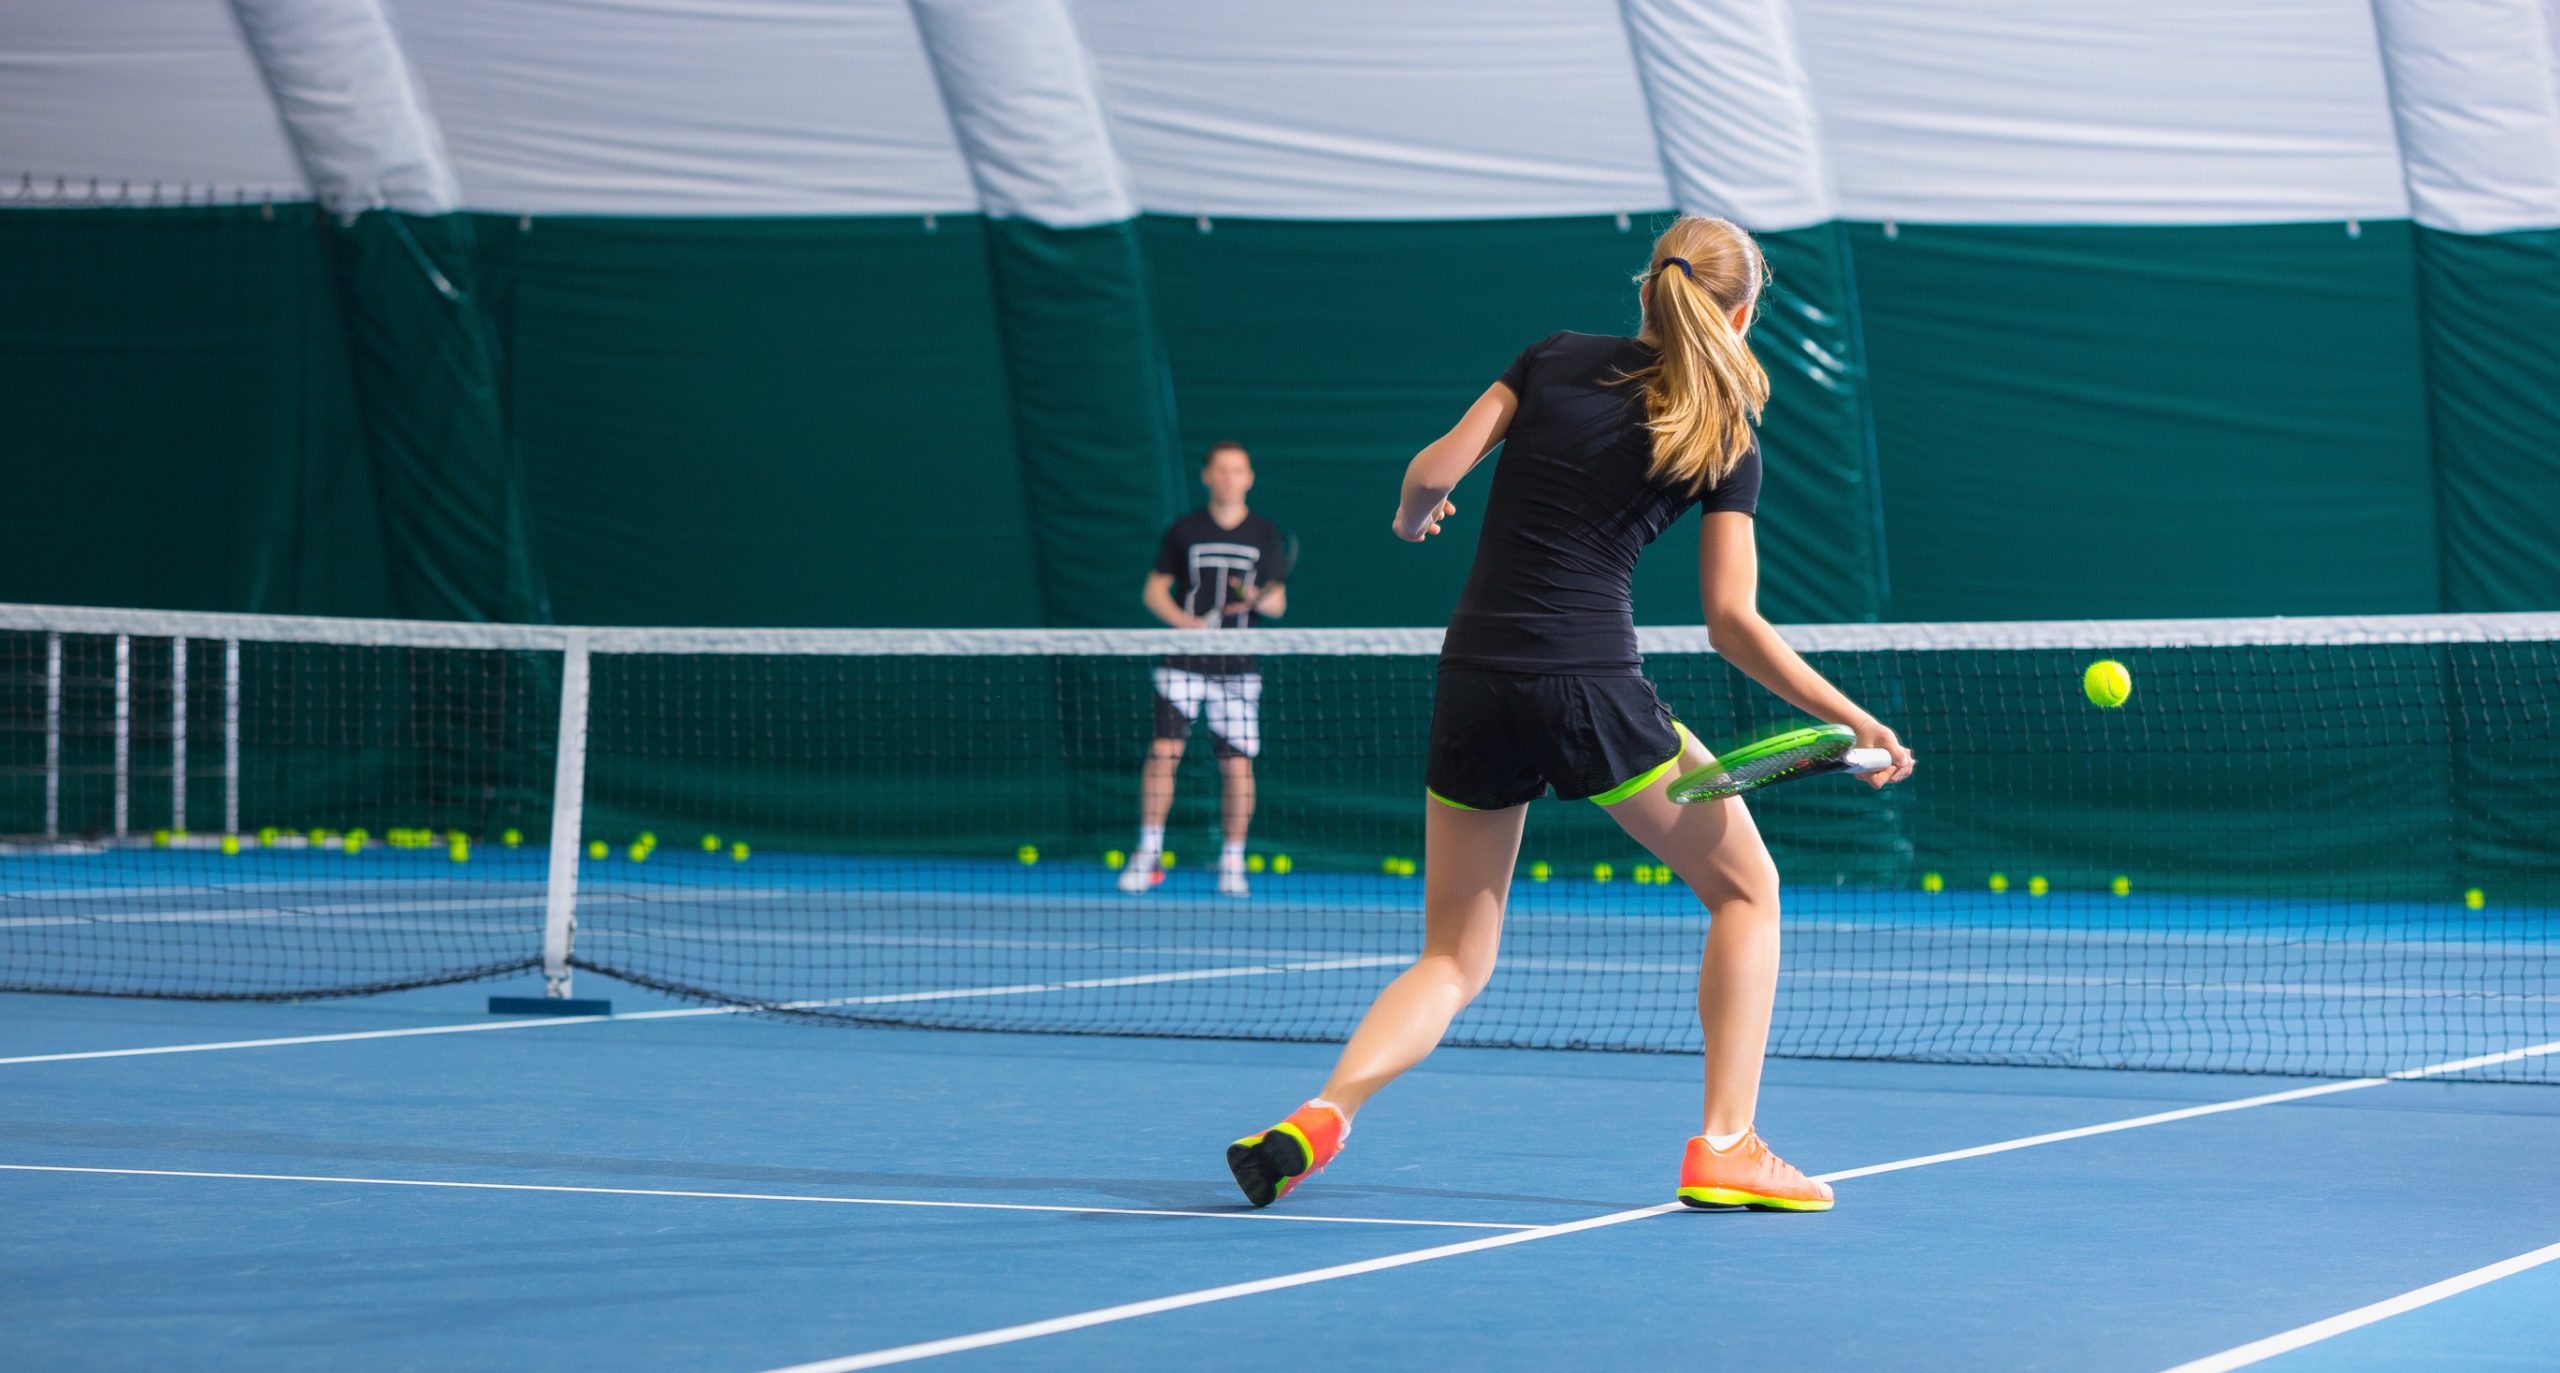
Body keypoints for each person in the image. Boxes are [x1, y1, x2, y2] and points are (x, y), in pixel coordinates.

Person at [1225, 216, 1915, 1212]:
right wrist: (1858, 717)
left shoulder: (1548, 360)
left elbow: (1429, 476)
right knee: (1746, 892)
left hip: (1474, 680)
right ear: (1742, 313)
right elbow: (1732, 623)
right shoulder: (1724, 436)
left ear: (1647, 290)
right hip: (1590, 685)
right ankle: (1726, 1140)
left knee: (1452, 956)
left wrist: (1415, 517)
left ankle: (1323, 1112)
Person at [1121, 442, 1294, 899]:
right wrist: (1187, 624)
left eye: (1237, 470)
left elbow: (1277, 603)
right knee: (1163, 753)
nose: (1229, 477)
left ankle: (1232, 860)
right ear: (1208, 476)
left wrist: (1258, 597)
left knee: (1236, 767)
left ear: (1248, 478)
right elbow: (1154, 590)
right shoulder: (1184, 530)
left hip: (1237, 669)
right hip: (1183, 662)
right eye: (1221, 469)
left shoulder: (1265, 534)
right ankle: (1149, 851)